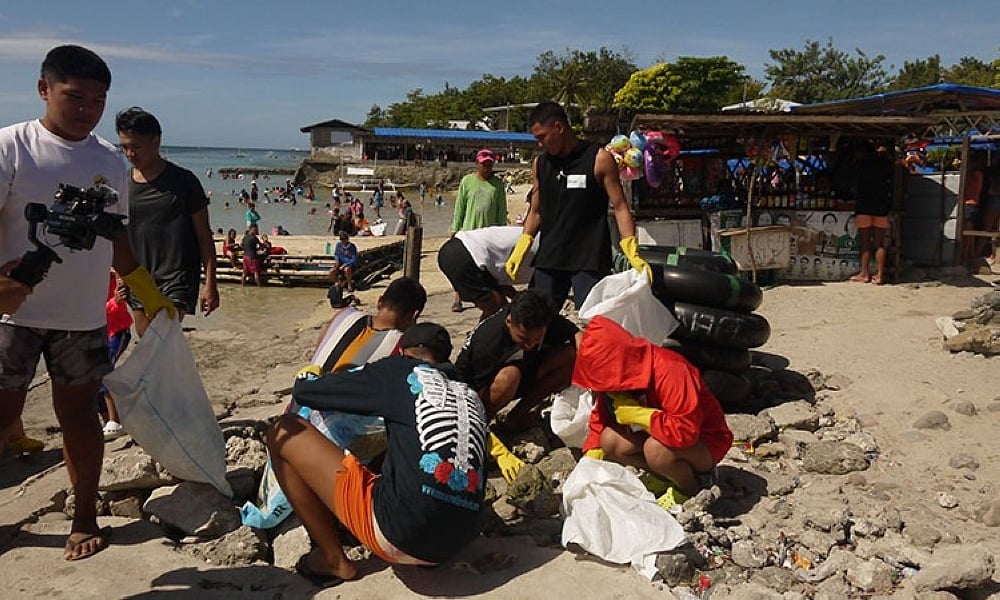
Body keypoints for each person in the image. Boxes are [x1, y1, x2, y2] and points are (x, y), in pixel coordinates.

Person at [0, 44, 174, 561]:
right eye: (75, 96)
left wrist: (148, 295)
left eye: (98, 99)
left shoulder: (106, 160)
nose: (87, 109)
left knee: (79, 416)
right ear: (43, 89)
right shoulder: (11, 146)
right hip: (13, 314)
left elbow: (116, 237)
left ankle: (84, 516)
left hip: (81, 315)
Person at [266, 323, 487, 585]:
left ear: (402, 351)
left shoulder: (398, 370)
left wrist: (309, 373)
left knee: (283, 430)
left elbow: (308, 391)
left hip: (401, 536)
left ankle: (333, 560)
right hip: (458, 541)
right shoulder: (468, 393)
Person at [572, 316, 733, 507]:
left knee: (656, 451)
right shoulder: (616, 379)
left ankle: (692, 490)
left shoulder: (672, 370)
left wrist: (642, 416)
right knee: (609, 440)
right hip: (661, 436)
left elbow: (686, 431)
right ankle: (665, 477)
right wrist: (591, 456)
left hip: (705, 441)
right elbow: (600, 420)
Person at [506, 102, 650, 310]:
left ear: (558, 127)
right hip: (551, 256)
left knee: (593, 320)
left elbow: (619, 206)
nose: (540, 144)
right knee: (537, 319)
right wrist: (523, 245)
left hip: (589, 257)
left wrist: (630, 247)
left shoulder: (599, 159)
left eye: (542, 137)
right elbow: (536, 211)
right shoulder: (541, 164)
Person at [115, 107, 219, 336]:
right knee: (145, 338)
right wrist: (121, 276)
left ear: (156, 141)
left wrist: (211, 284)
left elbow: (204, 236)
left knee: (159, 336)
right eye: (124, 147)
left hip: (176, 278)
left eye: (136, 146)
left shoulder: (184, 182)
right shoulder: (122, 185)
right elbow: (118, 235)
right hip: (139, 276)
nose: (130, 154)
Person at [455, 289, 578, 432]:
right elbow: (468, 390)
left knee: (571, 354)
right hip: (479, 389)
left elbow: (577, 335)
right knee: (510, 376)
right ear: (509, 322)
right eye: (523, 339)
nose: (530, 345)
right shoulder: (488, 342)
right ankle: (480, 427)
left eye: (537, 339)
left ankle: (516, 416)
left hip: (526, 371)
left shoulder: (540, 316)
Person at [437, 225, 539, 320]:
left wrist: (515, 296)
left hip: (458, 248)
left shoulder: (538, 236)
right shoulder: (549, 256)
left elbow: (498, 275)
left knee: (495, 312)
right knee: (501, 316)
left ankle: (480, 336)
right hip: (466, 256)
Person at [449, 148, 507, 312]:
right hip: (468, 232)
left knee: (487, 268)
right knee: (462, 268)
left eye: (489, 163)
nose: (487, 166)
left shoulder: (497, 185)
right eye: (484, 163)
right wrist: (455, 228)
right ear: (477, 164)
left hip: (488, 234)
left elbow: (501, 210)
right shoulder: (467, 181)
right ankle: (457, 299)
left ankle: (488, 298)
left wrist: (501, 232)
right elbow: (460, 207)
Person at [850, 142, 894, 285]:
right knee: (880, 243)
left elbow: (853, 182)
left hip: (864, 207)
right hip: (881, 207)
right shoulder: (885, 164)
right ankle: (880, 275)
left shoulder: (860, 166)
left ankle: (864, 274)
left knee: (865, 243)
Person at [97, 270, 133, 440]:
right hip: (99, 334)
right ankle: (108, 419)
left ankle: (115, 420)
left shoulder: (114, 278)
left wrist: (115, 300)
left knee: (105, 372)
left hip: (117, 332)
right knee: (95, 377)